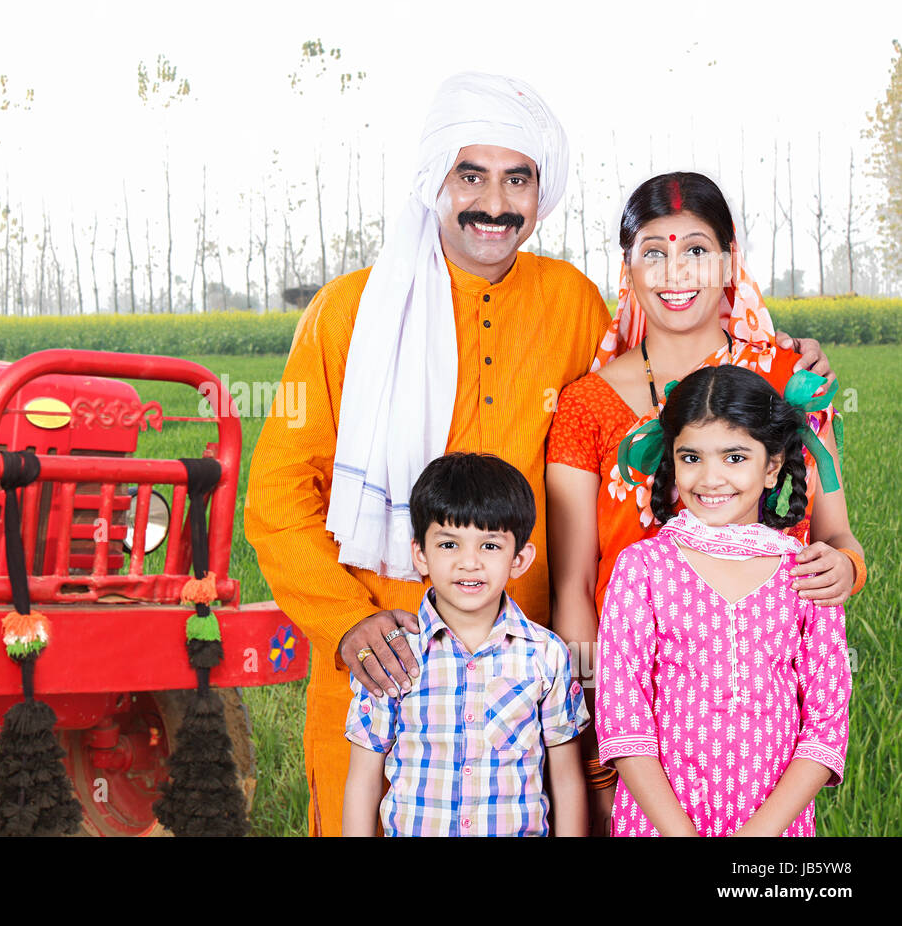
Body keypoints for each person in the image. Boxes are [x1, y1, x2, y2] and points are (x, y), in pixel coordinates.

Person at [245, 73, 832, 837]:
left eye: (516, 179)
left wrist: (780, 366)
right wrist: (349, 623)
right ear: (435, 181)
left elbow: (679, 391)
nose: (494, 202)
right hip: (390, 650)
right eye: (471, 175)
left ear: (538, 191)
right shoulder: (348, 313)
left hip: (537, 665)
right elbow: (278, 497)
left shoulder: (571, 301)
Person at [545, 172, 864, 834]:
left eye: (696, 249)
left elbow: (839, 539)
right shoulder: (585, 404)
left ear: (730, 259)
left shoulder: (789, 381)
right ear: (627, 267)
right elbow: (574, 584)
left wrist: (846, 571)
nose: (674, 271)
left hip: (766, 744)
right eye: (652, 251)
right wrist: (602, 744)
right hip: (642, 728)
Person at [596, 365, 853, 836]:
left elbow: (826, 725)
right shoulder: (643, 570)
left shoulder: (807, 574)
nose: (711, 478)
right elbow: (623, 719)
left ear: (772, 465)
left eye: (734, 458)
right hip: (659, 827)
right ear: (672, 462)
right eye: (691, 458)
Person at [341, 452, 587, 836]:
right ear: (420, 554)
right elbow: (363, 779)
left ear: (519, 559)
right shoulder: (395, 655)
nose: (469, 563)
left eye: (489, 546)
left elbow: (567, 778)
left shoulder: (546, 654)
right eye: (449, 545)